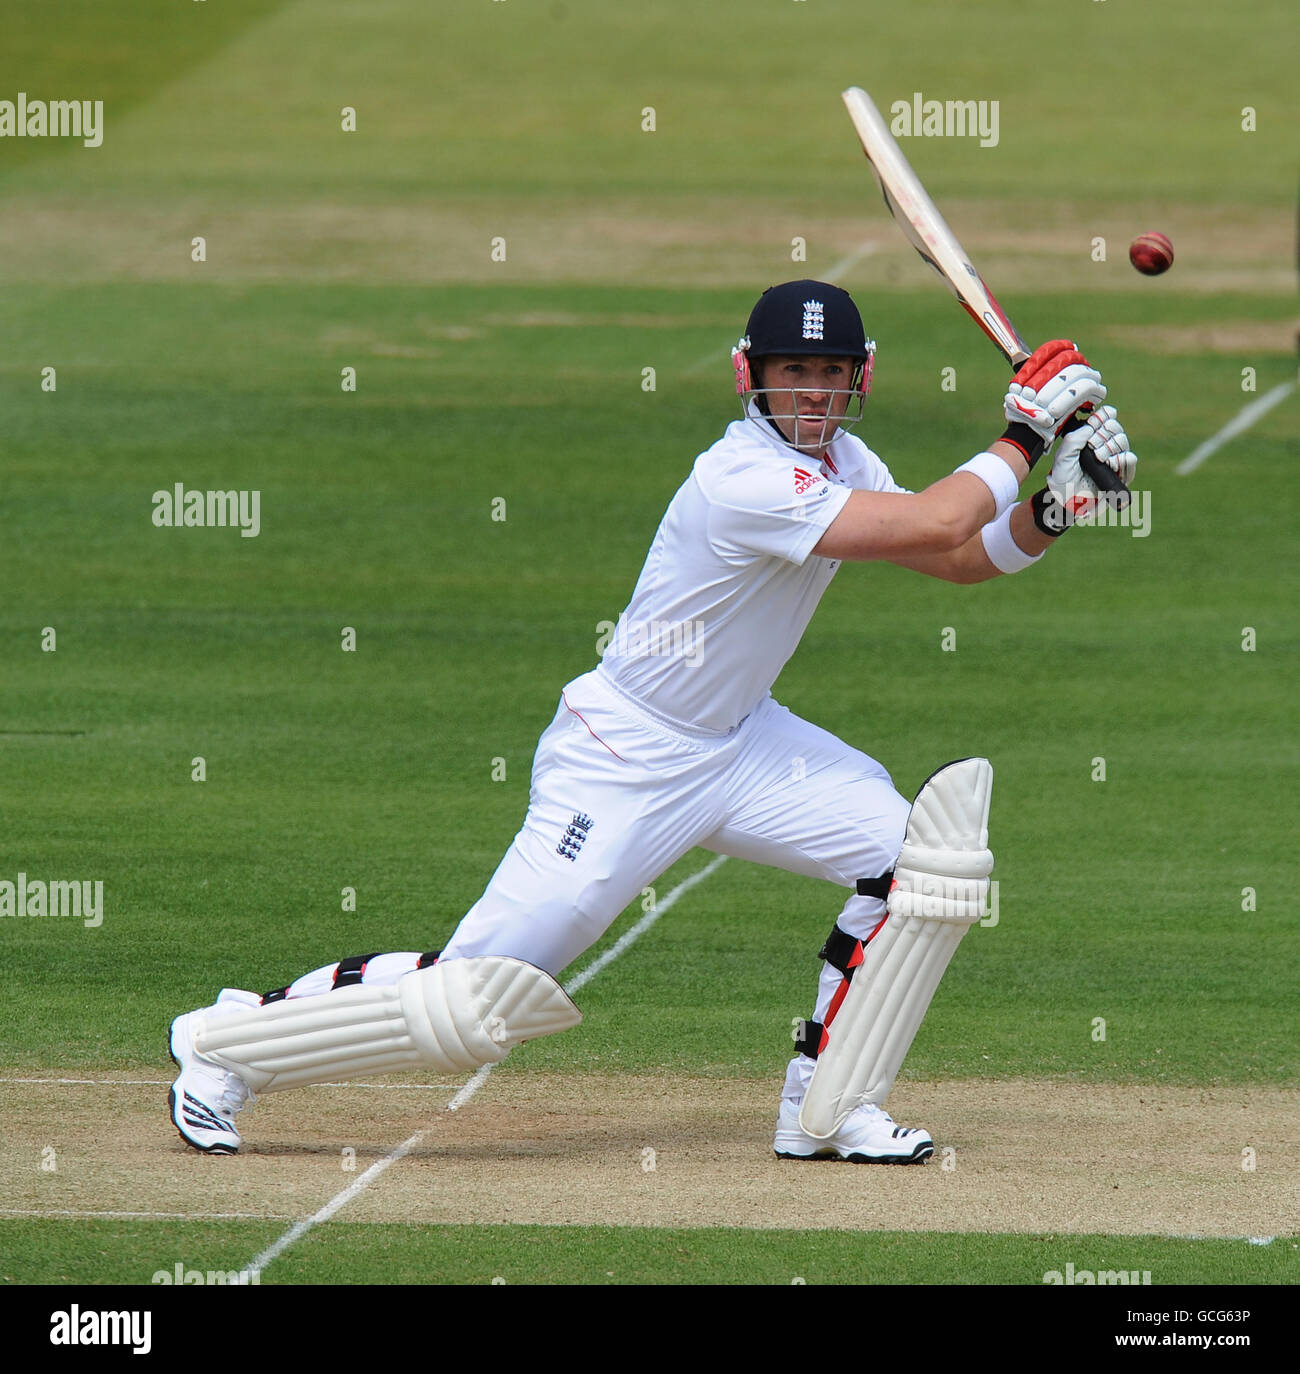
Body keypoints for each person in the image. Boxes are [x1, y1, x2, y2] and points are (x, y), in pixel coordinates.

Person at [167, 280, 1136, 1162]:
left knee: (922, 864)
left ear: (860, 379)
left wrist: (1064, 497)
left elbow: (955, 556)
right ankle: (226, 1042)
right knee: (478, 993)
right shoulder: (739, 479)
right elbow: (932, 520)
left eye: (829, 374)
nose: (810, 393)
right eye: (791, 373)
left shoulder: (846, 459)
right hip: (623, 755)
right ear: (746, 378)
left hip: (741, 744)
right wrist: (1022, 432)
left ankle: (830, 1105)